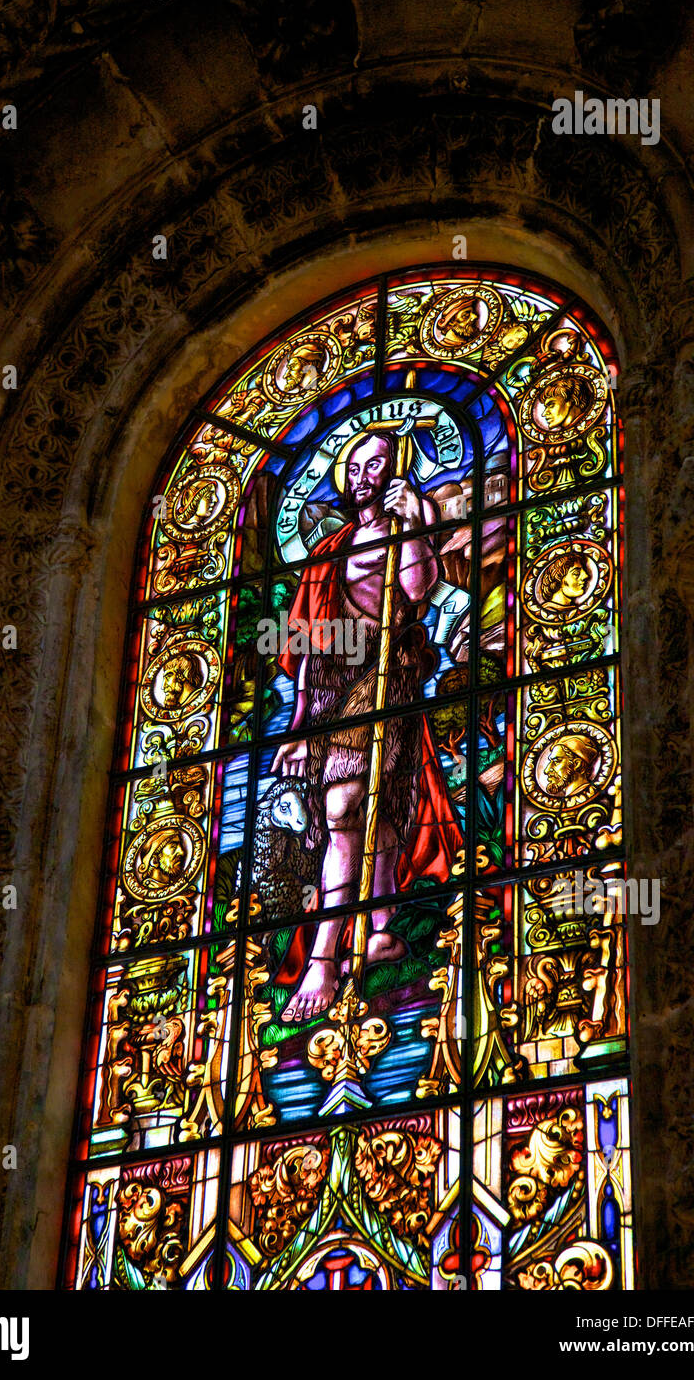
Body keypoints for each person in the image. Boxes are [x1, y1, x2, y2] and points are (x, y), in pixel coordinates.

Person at [271, 431, 463, 1022]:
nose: (362, 475)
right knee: (358, 811)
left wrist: (417, 528)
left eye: (375, 464)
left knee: (349, 806)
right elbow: (303, 640)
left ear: (395, 470)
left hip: (385, 674)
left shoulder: (409, 522)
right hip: (329, 681)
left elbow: (415, 590)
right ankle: (377, 927)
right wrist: (300, 724)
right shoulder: (332, 545)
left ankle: (325, 956)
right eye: (353, 466)